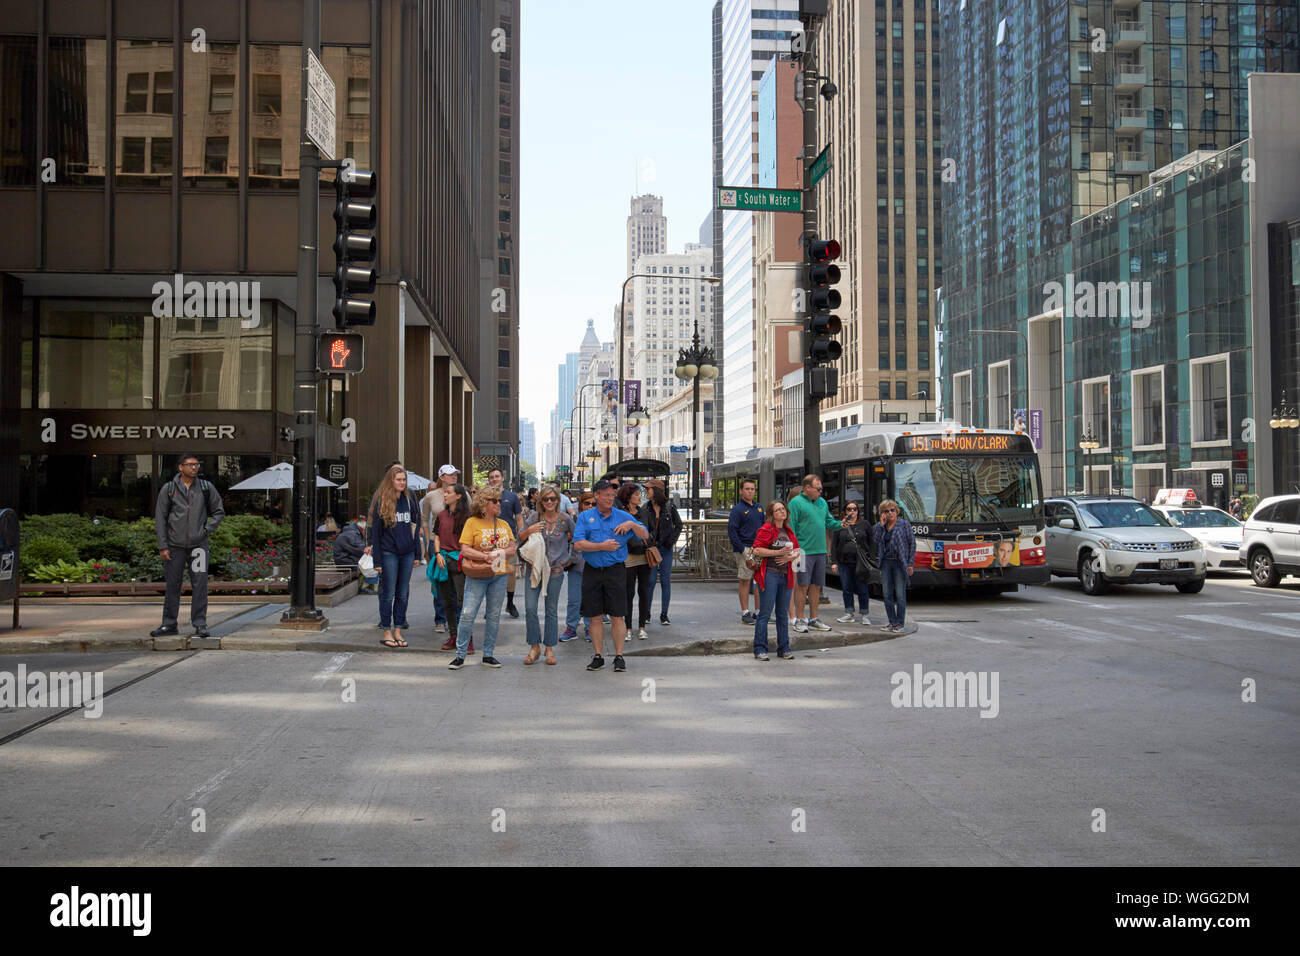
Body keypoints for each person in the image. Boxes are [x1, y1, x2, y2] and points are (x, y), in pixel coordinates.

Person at [572, 478, 650, 673]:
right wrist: (601, 546)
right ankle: (598, 655)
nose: (610, 498)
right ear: (596, 495)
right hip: (592, 571)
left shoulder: (622, 516)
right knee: (595, 616)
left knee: (617, 615)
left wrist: (631, 525)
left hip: (616, 570)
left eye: (612, 495)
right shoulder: (585, 517)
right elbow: (578, 544)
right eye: (606, 495)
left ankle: (619, 656)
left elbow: (644, 535)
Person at [151, 453, 226, 640]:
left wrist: (206, 530)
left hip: (198, 546)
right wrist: (163, 546)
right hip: (174, 546)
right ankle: (169, 624)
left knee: (200, 585)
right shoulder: (168, 489)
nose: (194, 468)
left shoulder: (206, 487)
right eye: (190, 465)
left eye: (197, 465)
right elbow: (160, 519)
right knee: (172, 585)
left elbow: (219, 511)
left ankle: (200, 624)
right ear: (180, 467)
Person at [449, 485, 516, 670]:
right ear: (483, 503)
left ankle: (488, 654)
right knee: (468, 614)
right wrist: (485, 556)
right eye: (494, 500)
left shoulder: (503, 524)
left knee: (493, 616)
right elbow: (465, 548)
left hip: (499, 574)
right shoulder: (472, 523)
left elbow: (512, 547)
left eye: (499, 500)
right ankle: (460, 655)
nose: (498, 504)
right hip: (478, 573)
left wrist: (501, 552)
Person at [365, 465, 422, 649]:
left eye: (404, 480)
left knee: (403, 594)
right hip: (389, 553)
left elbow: (415, 526)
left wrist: (417, 553)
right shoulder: (382, 500)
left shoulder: (409, 499)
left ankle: (398, 629)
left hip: (407, 552)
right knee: (388, 594)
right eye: (398, 480)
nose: (402, 483)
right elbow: (376, 532)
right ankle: (387, 630)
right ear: (391, 481)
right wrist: (377, 560)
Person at [517, 484, 574, 664]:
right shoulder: (534, 517)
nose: (549, 502)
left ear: (558, 501)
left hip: (556, 570)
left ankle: (549, 648)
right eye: (546, 499)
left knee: (551, 610)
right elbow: (520, 537)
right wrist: (529, 530)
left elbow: (577, 539)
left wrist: (568, 559)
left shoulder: (565, 520)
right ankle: (534, 646)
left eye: (553, 499)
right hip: (534, 569)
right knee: (530, 608)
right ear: (541, 501)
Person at [787, 474, 842, 633]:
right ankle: (799, 619)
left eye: (821, 489)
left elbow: (829, 522)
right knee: (802, 586)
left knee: (816, 585)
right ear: (807, 488)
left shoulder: (822, 502)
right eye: (818, 489)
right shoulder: (796, 503)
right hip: (803, 551)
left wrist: (842, 524)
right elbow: (791, 528)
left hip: (820, 551)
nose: (820, 492)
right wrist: (795, 550)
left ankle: (813, 618)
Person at [751, 500, 799, 661]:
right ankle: (759, 649)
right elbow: (757, 549)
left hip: (786, 575)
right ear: (771, 514)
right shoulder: (766, 529)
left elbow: (798, 551)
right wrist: (778, 553)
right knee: (765, 613)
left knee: (782, 614)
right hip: (770, 574)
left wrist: (789, 556)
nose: (782, 512)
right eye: (778, 510)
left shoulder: (788, 530)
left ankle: (784, 648)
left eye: (783, 509)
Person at [433, 483, 473, 655]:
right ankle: (453, 635)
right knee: (447, 601)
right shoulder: (441, 515)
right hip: (443, 560)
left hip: (460, 561)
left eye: (448, 492)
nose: (445, 495)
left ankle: (467, 639)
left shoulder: (468, 516)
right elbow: (436, 536)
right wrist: (437, 554)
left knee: (463, 601)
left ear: (458, 496)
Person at [421, 464, 462, 633]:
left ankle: (458, 619)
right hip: (436, 543)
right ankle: (440, 619)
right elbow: (424, 519)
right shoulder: (431, 497)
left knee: (458, 585)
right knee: (439, 582)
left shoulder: (463, 493)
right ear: (442, 477)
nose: (454, 477)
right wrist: (427, 541)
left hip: (457, 545)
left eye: (455, 474)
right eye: (450, 475)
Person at [640, 479, 682, 625]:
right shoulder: (645, 508)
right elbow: (643, 527)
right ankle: (647, 613)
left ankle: (664, 614)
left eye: (648, 489)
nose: (646, 492)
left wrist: (671, 541)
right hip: (652, 549)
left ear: (656, 491)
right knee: (650, 582)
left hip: (666, 549)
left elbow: (679, 525)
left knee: (665, 581)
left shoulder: (669, 507)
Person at [617, 483, 653, 641]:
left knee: (644, 592)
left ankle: (642, 627)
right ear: (628, 496)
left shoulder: (644, 512)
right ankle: (628, 628)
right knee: (628, 593)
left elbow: (651, 531)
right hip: (627, 556)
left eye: (640, 494)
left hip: (644, 556)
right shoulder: (620, 513)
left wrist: (650, 540)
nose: (640, 497)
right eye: (637, 494)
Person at [727, 479, 765, 625]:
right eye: (747, 489)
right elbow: (732, 531)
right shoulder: (737, 510)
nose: (750, 491)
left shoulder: (759, 507)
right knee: (745, 580)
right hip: (745, 548)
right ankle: (745, 612)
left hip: (759, 548)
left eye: (752, 489)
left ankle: (759, 611)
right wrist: (743, 550)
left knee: (759, 581)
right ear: (741, 491)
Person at [875, 498, 916, 633]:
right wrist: (881, 526)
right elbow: (875, 541)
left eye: (892, 510)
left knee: (900, 595)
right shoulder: (880, 527)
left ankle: (900, 624)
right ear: (882, 513)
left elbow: (912, 544)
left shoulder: (904, 524)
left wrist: (910, 563)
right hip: (886, 562)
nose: (890, 513)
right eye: (886, 511)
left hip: (900, 563)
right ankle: (892, 622)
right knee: (887, 595)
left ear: (897, 511)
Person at [487, 467, 523, 618]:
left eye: (497, 476)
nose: (494, 479)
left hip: (508, 540)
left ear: (502, 478)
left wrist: (521, 537)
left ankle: (509, 603)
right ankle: (492, 607)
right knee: (493, 574)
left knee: (509, 573)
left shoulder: (512, 496)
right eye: (491, 477)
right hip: (489, 540)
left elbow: (519, 518)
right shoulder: (486, 496)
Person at [560, 491, 596, 642]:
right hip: (575, 564)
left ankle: (589, 627)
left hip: (593, 564)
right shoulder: (573, 518)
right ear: (581, 504)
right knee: (574, 599)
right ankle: (571, 627)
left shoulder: (599, 519)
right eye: (586, 503)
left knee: (590, 598)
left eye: (593, 504)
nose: (589, 506)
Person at [830, 503, 874, 624]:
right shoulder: (840, 525)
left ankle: (864, 614)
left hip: (861, 562)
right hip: (844, 562)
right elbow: (834, 545)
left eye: (855, 509)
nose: (852, 511)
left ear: (858, 511)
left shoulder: (865, 524)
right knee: (846, 588)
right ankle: (849, 612)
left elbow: (872, 542)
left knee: (862, 588)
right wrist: (834, 562)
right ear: (845, 511)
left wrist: (872, 559)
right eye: (849, 509)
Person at [333, 515, 372, 591]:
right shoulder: (350, 535)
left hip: (348, 558)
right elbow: (361, 550)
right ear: (362, 529)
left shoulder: (352, 533)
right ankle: (365, 586)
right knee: (372, 564)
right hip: (345, 561)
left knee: (372, 561)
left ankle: (367, 585)